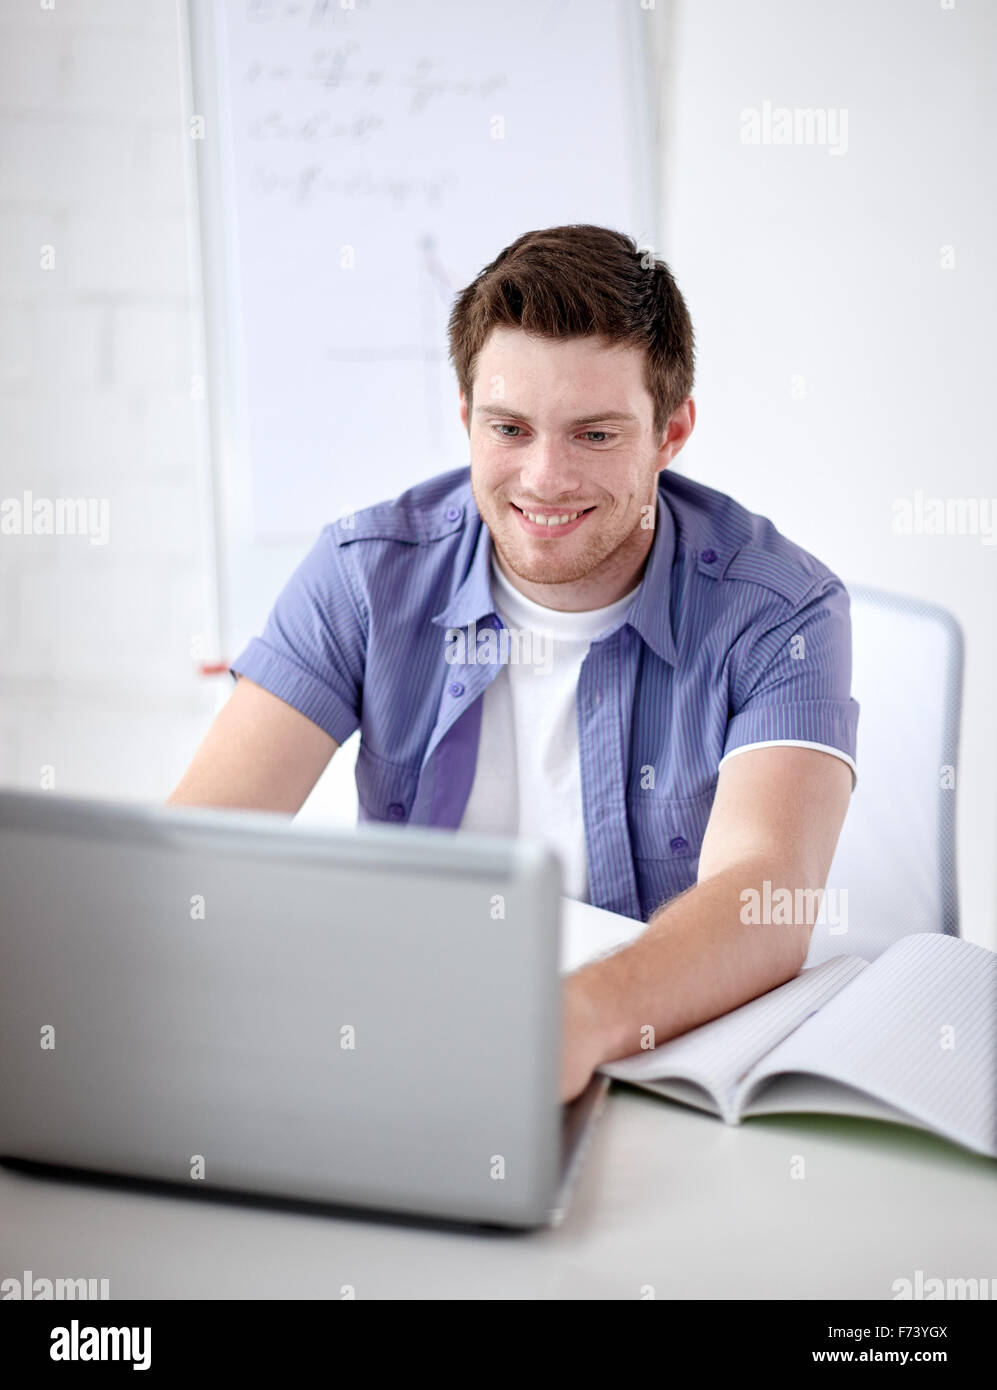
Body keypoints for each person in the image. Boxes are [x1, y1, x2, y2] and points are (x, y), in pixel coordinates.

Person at [169, 224, 858, 1103]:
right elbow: (199, 850)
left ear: (670, 432)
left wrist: (566, 1022)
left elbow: (768, 900)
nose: (543, 478)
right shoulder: (362, 573)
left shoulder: (781, 608)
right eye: (509, 428)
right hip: (402, 1038)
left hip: (647, 1057)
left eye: (596, 435)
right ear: (465, 419)